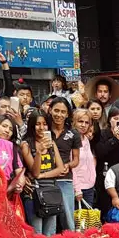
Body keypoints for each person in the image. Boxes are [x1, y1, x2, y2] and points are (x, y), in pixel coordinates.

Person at [21, 110, 66, 235]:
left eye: (44, 124)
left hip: (51, 193)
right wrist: (40, 152)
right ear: (31, 126)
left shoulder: (52, 143)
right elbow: (35, 172)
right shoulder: (26, 145)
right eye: (37, 124)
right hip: (34, 194)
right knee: (37, 233)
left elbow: (60, 168)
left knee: (50, 234)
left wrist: (43, 175)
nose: (41, 128)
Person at [48, 97, 81, 231]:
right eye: (56, 110)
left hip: (65, 179)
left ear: (67, 114)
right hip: (46, 180)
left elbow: (76, 160)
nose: (59, 115)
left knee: (68, 218)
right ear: (50, 110)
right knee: (49, 218)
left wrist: (68, 165)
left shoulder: (73, 134)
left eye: (63, 112)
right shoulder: (43, 130)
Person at [94, 107, 119, 216]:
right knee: (105, 204)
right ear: (109, 120)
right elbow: (100, 152)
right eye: (115, 118)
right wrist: (114, 139)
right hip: (105, 173)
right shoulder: (103, 133)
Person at [71, 108, 97, 208]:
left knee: (88, 222)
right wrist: (77, 189)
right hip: (78, 188)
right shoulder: (71, 139)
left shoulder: (86, 139)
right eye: (80, 121)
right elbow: (71, 166)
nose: (83, 125)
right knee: (78, 222)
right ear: (74, 122)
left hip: (89, 186)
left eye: (86, 122)